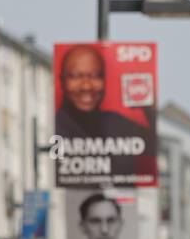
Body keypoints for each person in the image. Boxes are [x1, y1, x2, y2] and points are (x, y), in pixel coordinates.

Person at [55, 45, 155, 182]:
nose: (86, 86)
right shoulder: (53, 128)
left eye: (96, 76)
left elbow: (153, 145)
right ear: (62, 80)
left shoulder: (118, 124)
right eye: (76, 76)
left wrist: (146, 103)